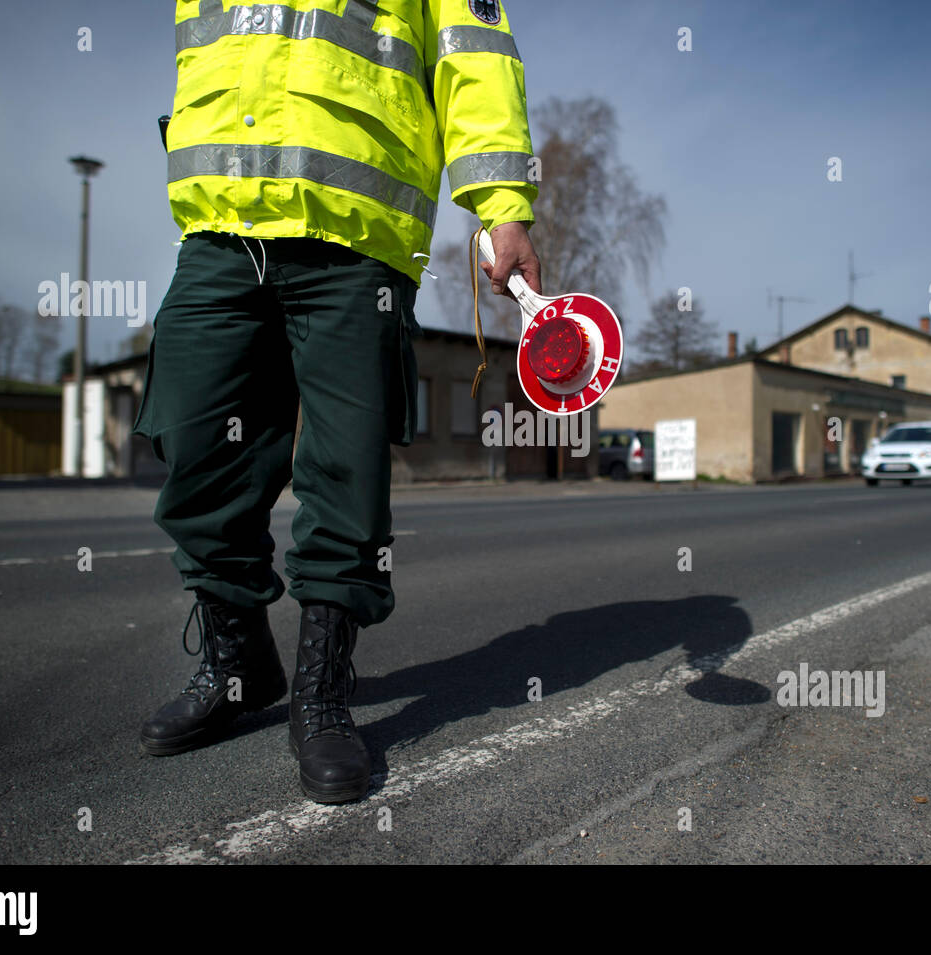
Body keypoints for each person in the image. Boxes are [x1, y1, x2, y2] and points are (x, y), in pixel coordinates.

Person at [133, 0, 542, 805]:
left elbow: (475, 57)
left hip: (356, 243)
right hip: (221, 232)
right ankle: (239, 663)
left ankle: (320, 693)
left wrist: (503, 205)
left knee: (344, 472)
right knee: (190, 440)